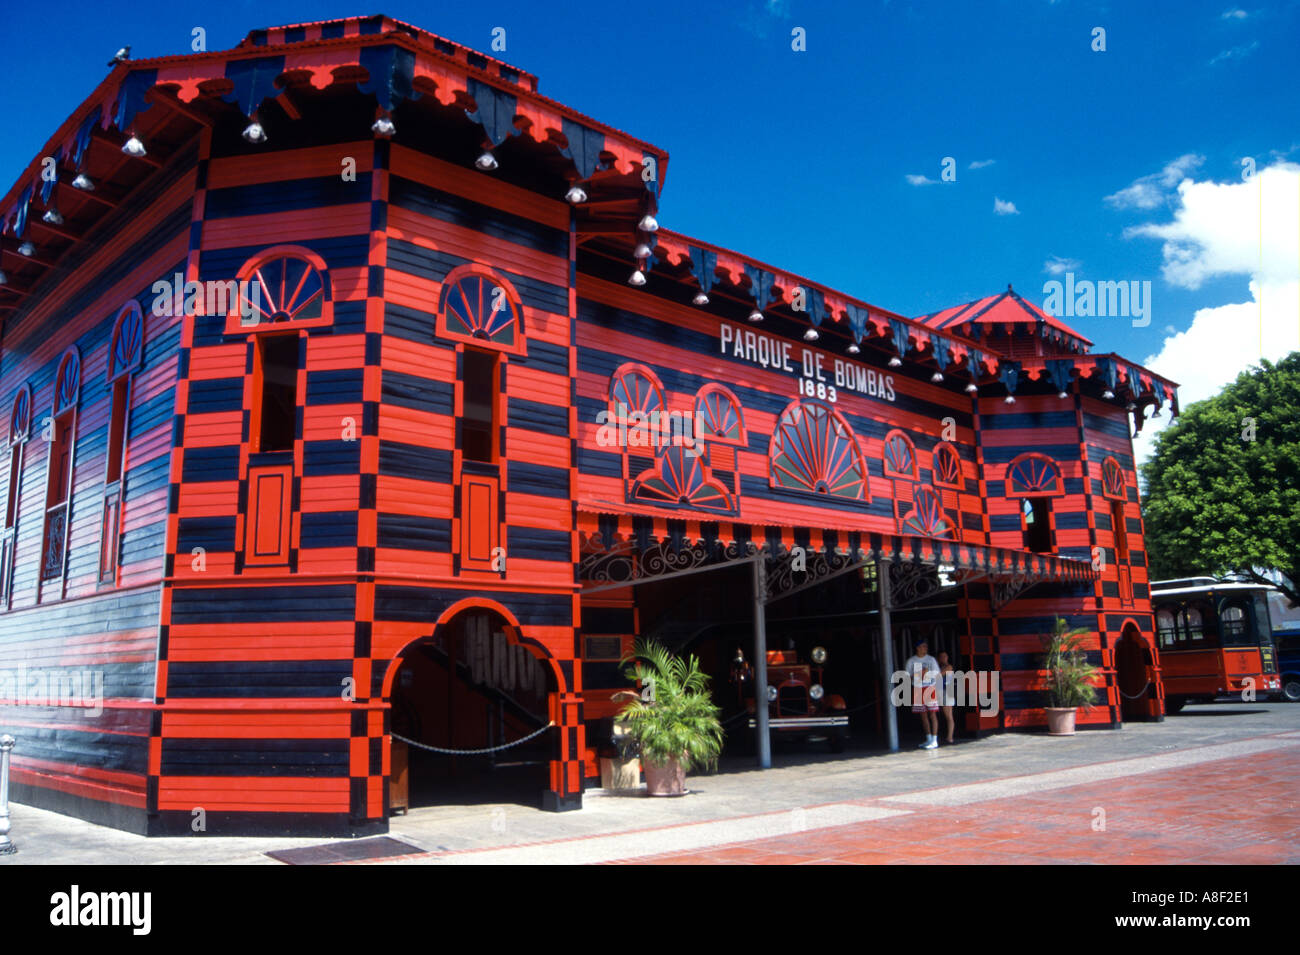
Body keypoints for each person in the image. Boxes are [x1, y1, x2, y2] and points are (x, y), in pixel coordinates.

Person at [904, 639, 940, 749]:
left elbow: (937, 674)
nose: (925, 648)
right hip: (918, 688)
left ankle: (935, 739)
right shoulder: (911, 661)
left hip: (929, 687)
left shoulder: (931, 659)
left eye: (926, 646)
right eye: (923, 646)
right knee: (923, 715)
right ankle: (928, 738)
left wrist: (927, 673)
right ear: (918, 648)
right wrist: (917, 674)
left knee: (932, 713)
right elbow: (906, 676)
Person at [937, 650, 956, 744]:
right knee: (944, 715)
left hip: (947, 692)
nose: (943, 658)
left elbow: (938, 675)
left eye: (945, 656)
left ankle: (950, 737)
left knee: (948, 716)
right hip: (941, 691)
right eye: (941, 657)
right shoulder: (939, 667)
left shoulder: (948, 667)